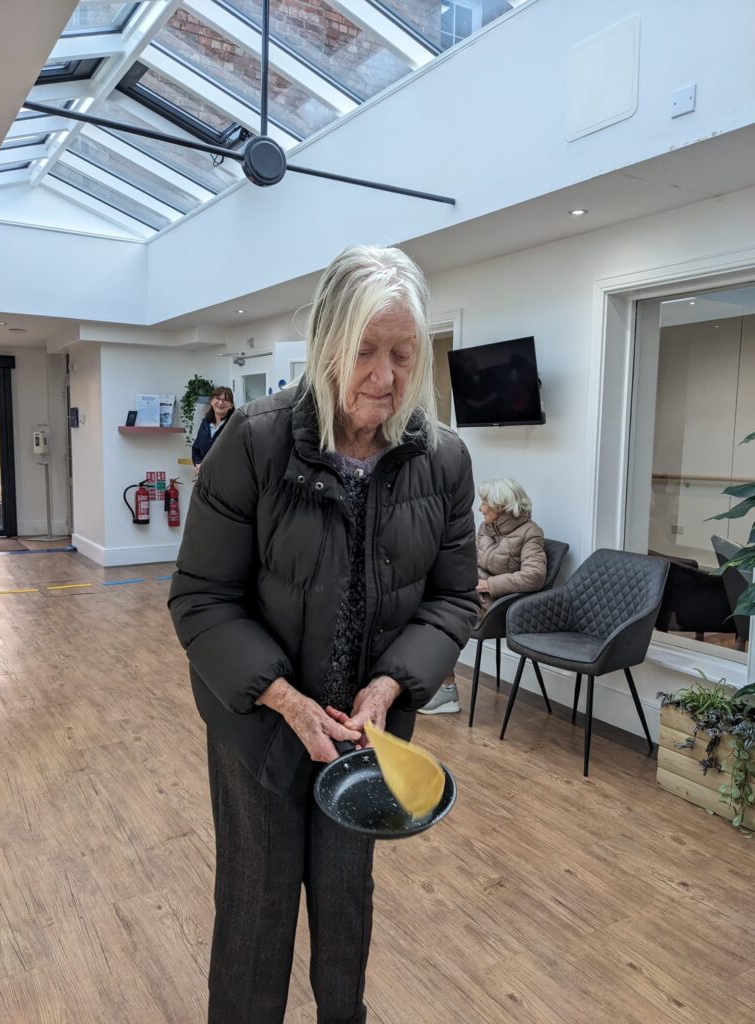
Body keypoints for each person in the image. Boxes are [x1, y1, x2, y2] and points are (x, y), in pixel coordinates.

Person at [168, 245, 480, 1024]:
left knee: (346, 908)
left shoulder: (441, 461)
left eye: (403, 354)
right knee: (256, 910)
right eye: (365, 351)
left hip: (365, 744)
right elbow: (201, 598)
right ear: (327, 344)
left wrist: (390, 685)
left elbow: (453, 599)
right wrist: (284, 701)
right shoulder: (256, 441)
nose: (384, 374)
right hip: (261, 735)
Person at [418, 477, 546, 715]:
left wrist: (489, 584)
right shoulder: (486, 528)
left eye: (486, 502)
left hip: (497, 606)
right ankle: (424, 682)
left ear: (502, 507)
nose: (481, 507)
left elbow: (534, 576)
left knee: (441, 619)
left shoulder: (531, 533)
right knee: (419, 603)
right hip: (470, 594)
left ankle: (446, 691)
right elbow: (468, 560)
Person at [191, 386, 235, 467]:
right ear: (211, 401)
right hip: (205, 475)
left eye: (225, 400)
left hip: (226, 476)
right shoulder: (205, 424)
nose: (221, 403)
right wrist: (198, 464)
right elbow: (196, 449)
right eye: (218, 398)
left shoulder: (234, 426)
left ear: (231, 405)